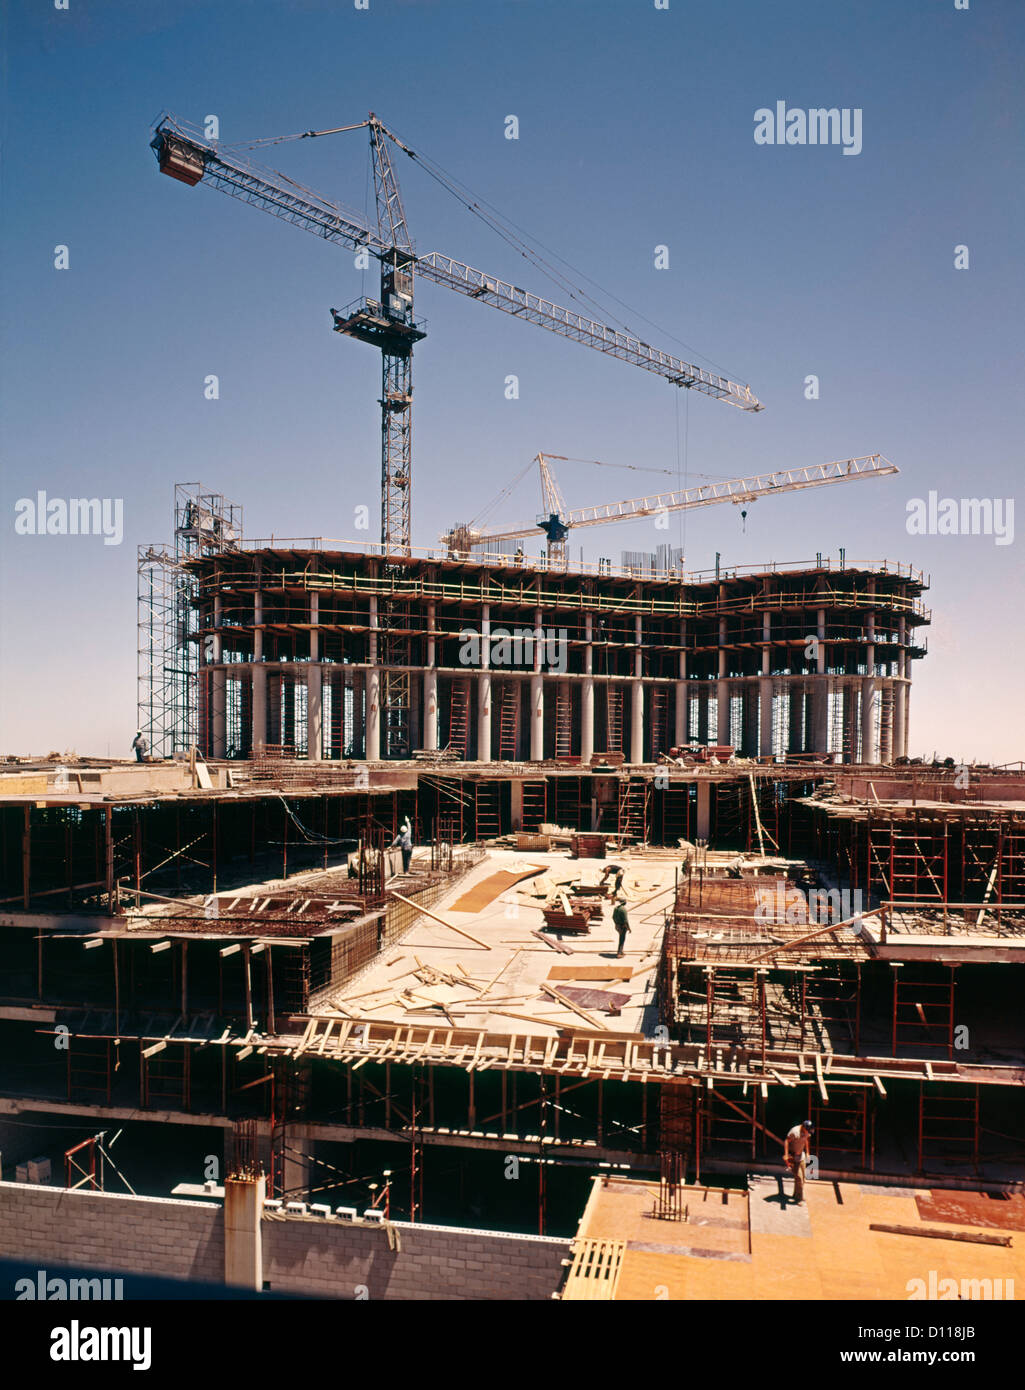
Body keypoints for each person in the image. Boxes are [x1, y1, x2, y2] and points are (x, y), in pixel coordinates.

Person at [783, 1119, 814, 1205]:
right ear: (803, 1127)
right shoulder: (794, 1132)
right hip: (793, 1157)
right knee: (799, 1178)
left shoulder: (807, 1132)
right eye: (807, 1130)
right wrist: (786, 1154)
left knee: (802, 1178)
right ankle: (799, 1199)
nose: (808, 1132)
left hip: (802, 1156)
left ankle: (795, 1195)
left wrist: (808, 1152)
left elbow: (806, 1140)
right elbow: (786, 1141)